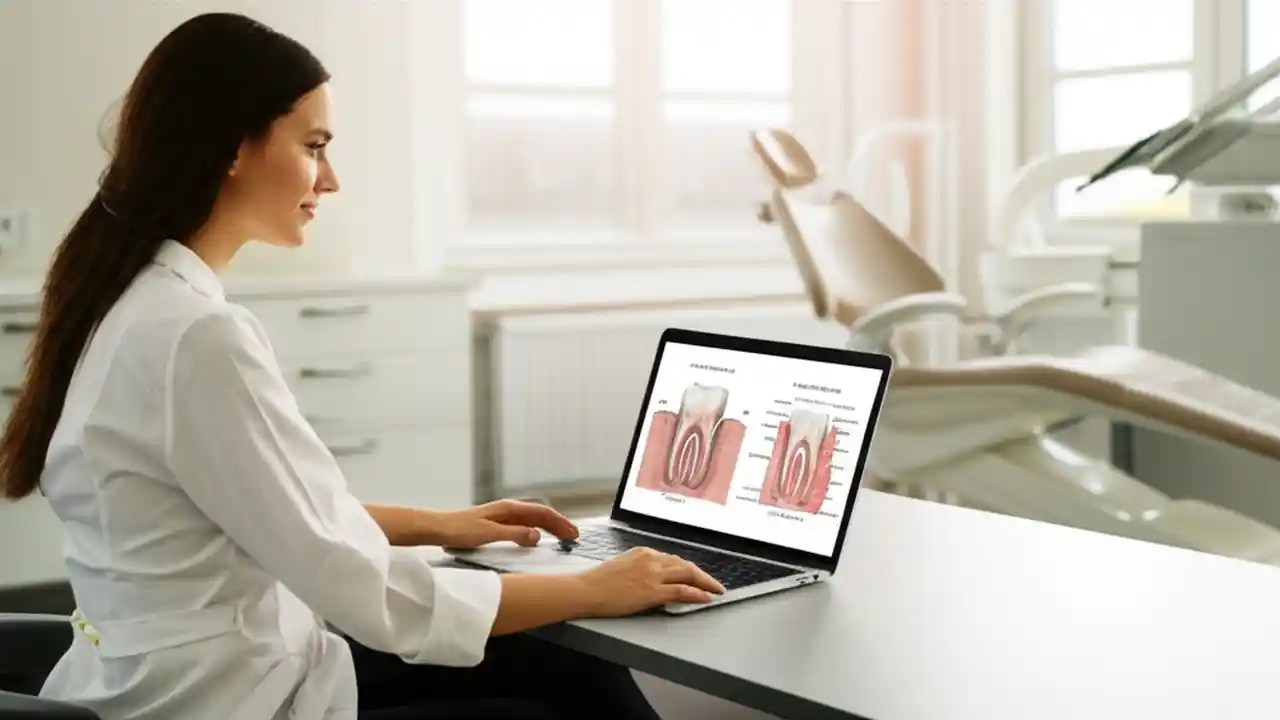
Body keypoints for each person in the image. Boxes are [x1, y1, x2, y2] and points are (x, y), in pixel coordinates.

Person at [0, 12, 724, 720]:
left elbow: (274, 513)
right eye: (314, 145)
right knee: (548, 679)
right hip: (227, 698)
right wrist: (594, 589)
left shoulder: (124, 303)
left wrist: (447, 525)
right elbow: (370, 596)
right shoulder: (199, 337)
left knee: (556, 659)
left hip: (174, 677)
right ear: (232, 147)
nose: (331, 178)